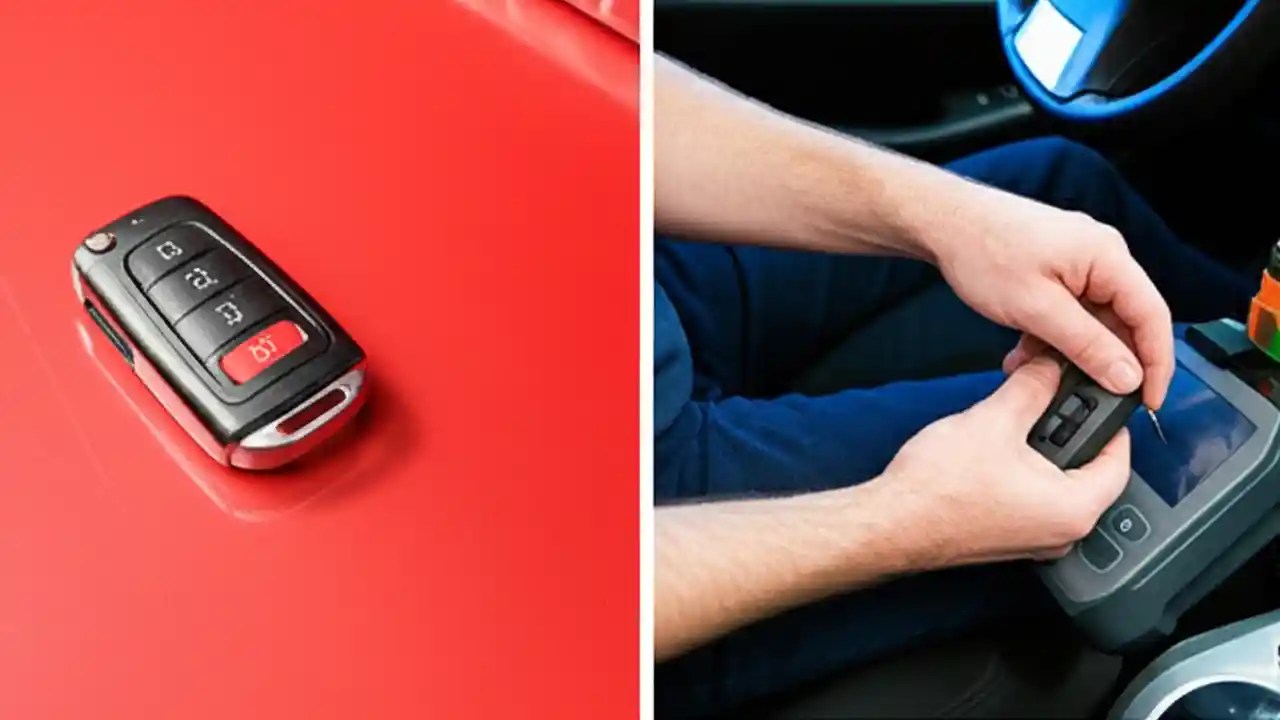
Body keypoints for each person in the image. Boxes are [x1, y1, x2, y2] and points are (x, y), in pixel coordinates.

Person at [653, 56, 1256, 717]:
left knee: (1062, 182)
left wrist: (945, 216)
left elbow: (595, 98)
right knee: (1206, 447)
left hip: (633, 286)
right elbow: (541, 603)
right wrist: (902, 520)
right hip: (610, 516)